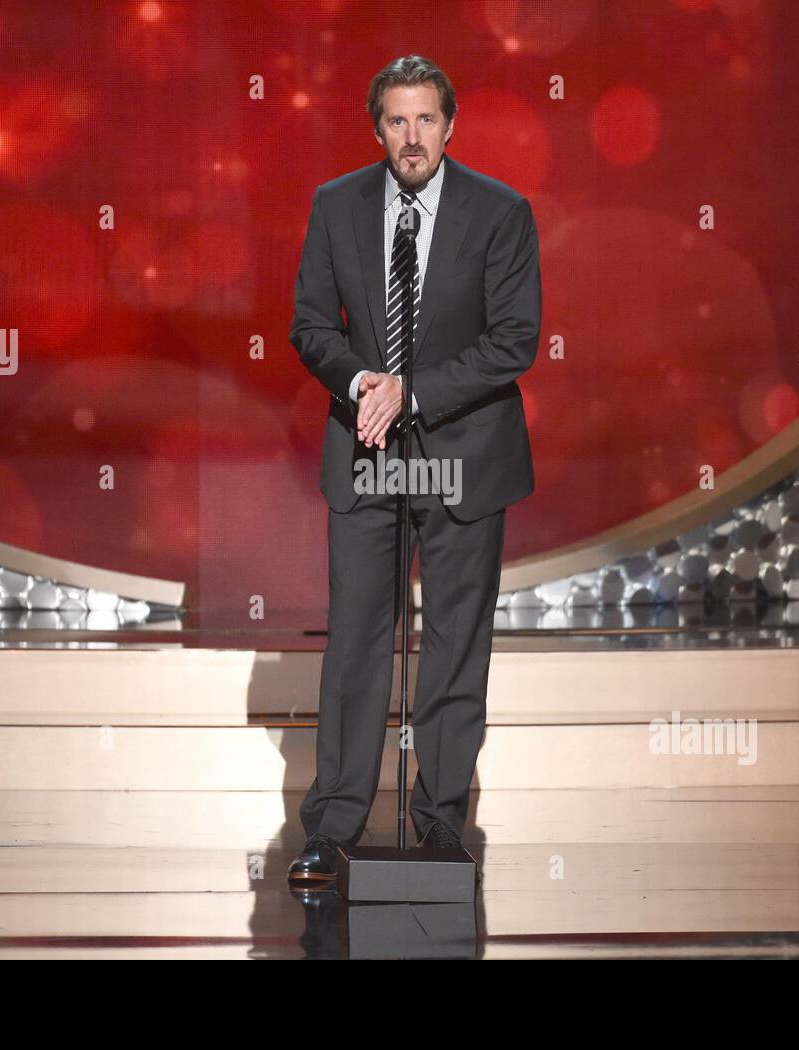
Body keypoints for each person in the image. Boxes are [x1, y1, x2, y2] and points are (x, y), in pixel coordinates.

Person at [286, 54, 541, 881]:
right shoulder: (336, 205)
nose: (412, 137)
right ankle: (332, 826)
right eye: (396, 120)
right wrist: (365, 384)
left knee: (455, 644)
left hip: (466, 454)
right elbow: (311, 325)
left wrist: (413, 392)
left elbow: (513, 340)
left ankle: (440, 820)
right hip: (366, 452)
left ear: (450, 125)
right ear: (377, 129)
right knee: (356, 639)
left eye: (426, 119)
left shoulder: (501, 212)